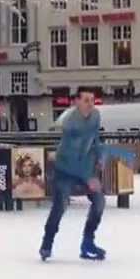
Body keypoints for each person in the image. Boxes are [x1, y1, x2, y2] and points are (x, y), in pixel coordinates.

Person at [40, 87, 107, 262]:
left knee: (99, 201)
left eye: (92, 100)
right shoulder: (71, 124)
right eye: (85, 100)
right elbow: (73, 155)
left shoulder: (95, 116)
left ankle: (88, 242)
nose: (90, 104)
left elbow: (95, 139)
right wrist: (88, 178)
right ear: (76, 102)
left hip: (84, 168)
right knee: (60, 205)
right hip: (65, 168)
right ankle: (47, 243)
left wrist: (99, 157)